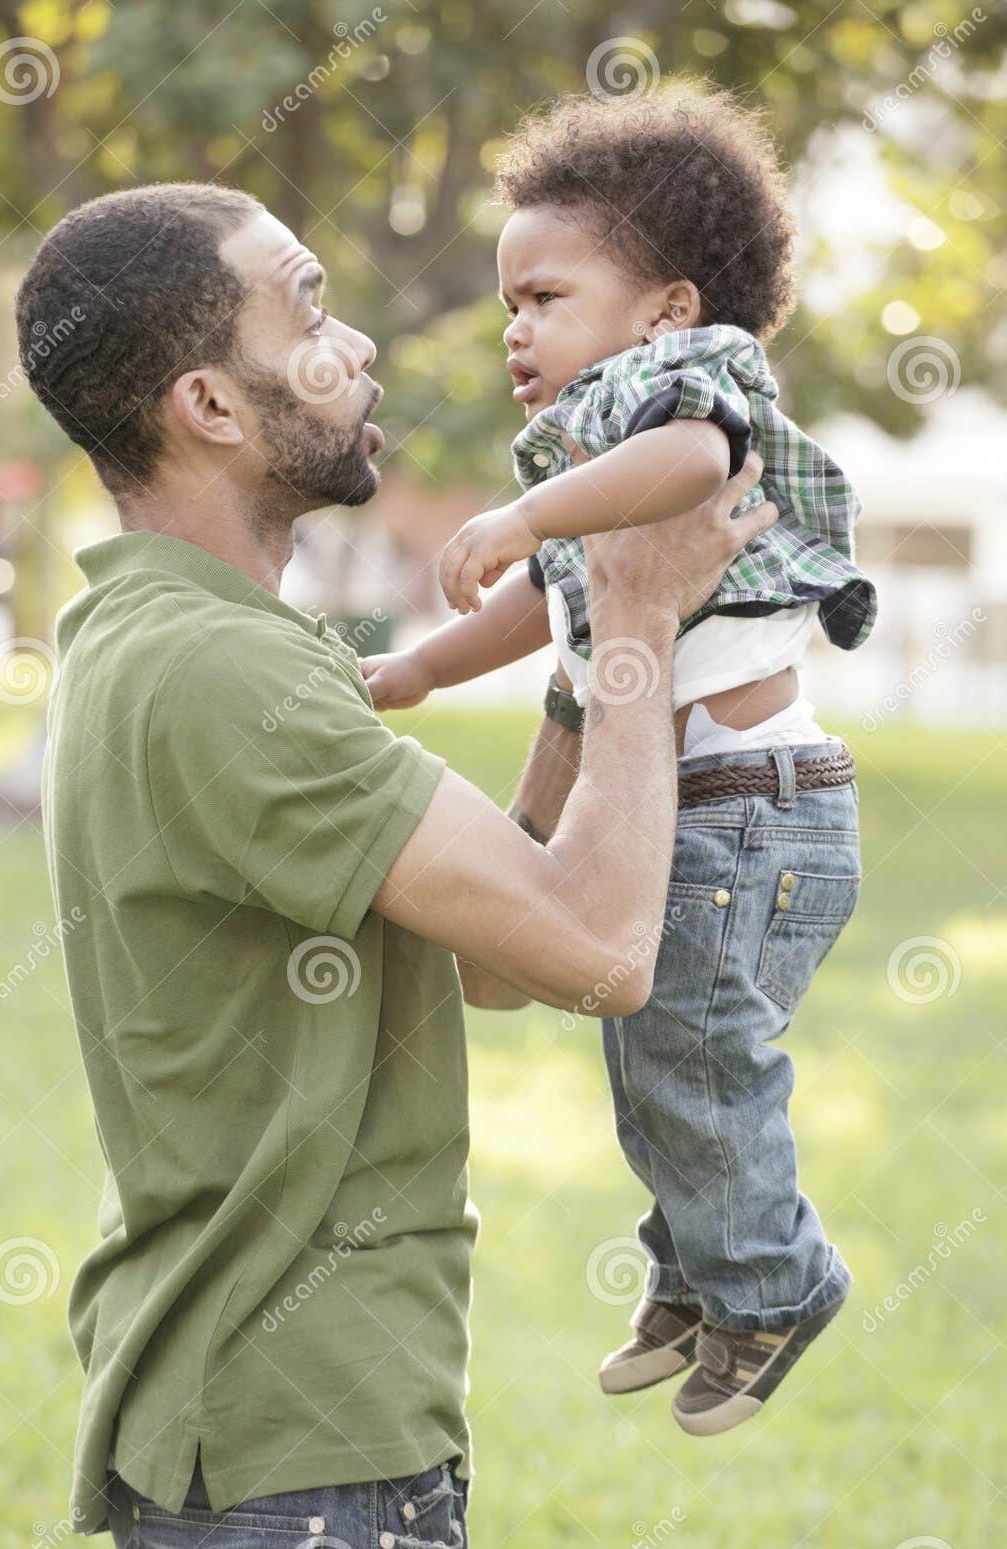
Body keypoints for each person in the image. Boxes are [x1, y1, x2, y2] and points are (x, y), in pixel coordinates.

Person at [17, 181, 776, 1549]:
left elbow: (497, 955)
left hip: (287, 1450)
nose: (356, 341)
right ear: (212, 407)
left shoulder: (186, 637)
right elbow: (603, 951)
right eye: (306, 307)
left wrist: (575, 655)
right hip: (299, 1470)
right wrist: (635, 617)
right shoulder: (226, 674)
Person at [363, 83, 872, 1437]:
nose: (513, 328)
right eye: (508, 301)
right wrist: (420, 668)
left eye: (543, 294)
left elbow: (688, 465)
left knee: (698, 1062)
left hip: (750, 815)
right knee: (660, 1064)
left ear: (666, 306)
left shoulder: (688, 395)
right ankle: (696, 1275)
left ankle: (777, 1277)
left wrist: (527, 507)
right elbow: (566, 605)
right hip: (722, 817)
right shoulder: (613, 446)